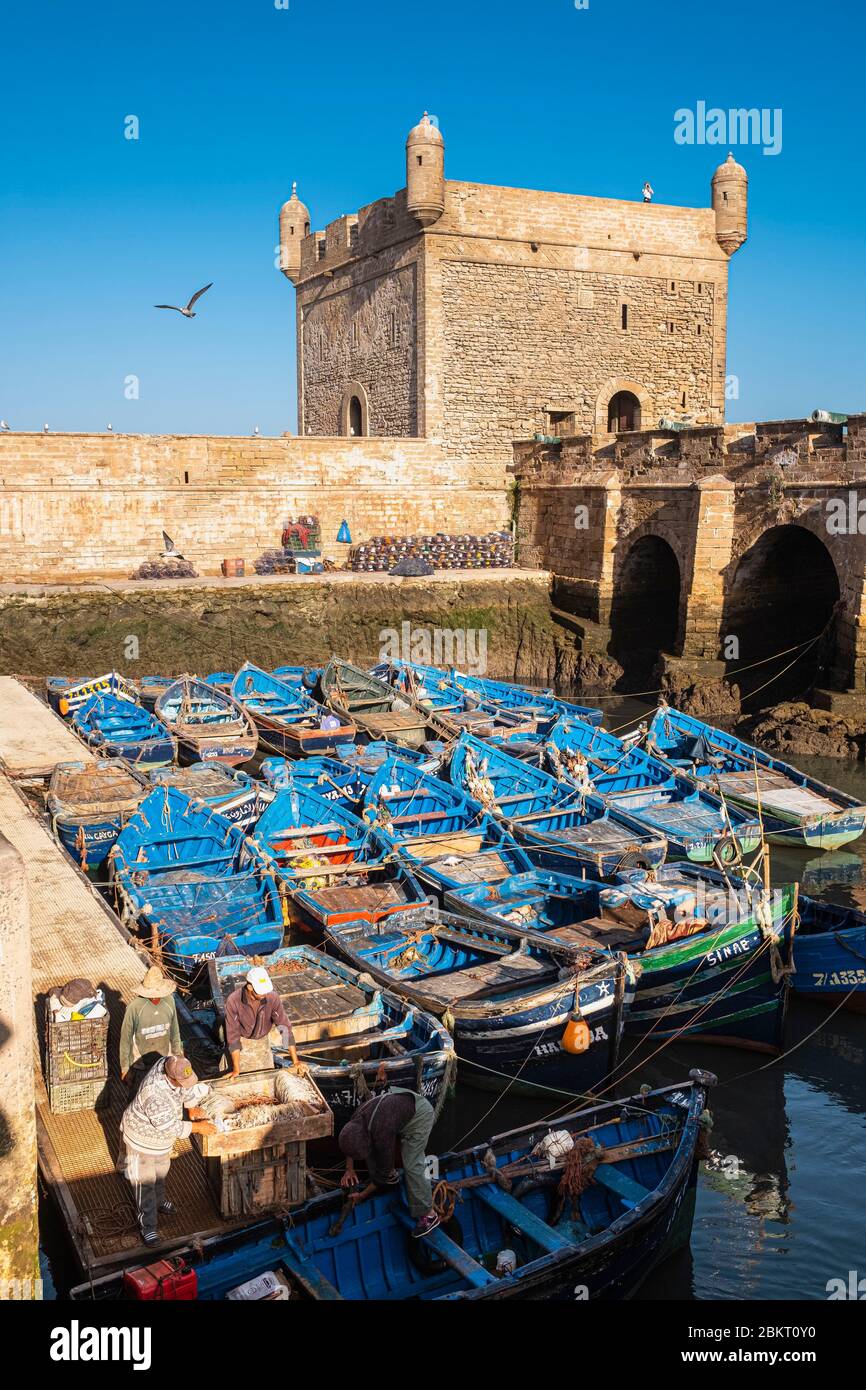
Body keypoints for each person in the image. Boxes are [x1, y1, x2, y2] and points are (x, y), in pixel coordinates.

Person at [120, 1054, 215, 1246]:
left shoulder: (171, 1062)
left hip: (162, 1142)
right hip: (142, 1141)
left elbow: (185, 1089)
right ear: (170, 1078)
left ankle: (160, 1201)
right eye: (182, 1081)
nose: (186, 1083)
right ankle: (148, 1227)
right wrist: (197, 1127)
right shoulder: (153, 1093)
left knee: (161, 1171)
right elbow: (169, 1126)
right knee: (144, 1183)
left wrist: (190, 1108)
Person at [339, 1087, 439, 1238]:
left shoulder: (382, 1133)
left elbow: (384, 1172)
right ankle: (393, 1181)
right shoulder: (356, 1119)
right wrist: (349, 1169)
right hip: (399, 1106)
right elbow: (349, 1142)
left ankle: (429, 1215)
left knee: (412, 1164)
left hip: (420, 1113)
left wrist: (363, 1195)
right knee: (375, 1156)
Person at [224, 966, 305, 1080]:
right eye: (260, 993)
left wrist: (295, 1061)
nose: (264, 995)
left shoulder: (272, 997)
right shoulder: (233, 1000)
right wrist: (236, 1069)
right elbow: (233, 1037)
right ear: (249, 986)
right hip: (243, 1039)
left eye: (265, 992)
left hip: (263, 1040)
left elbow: (284, 1027)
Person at [119, 966, 182, 1091]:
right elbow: (125, 1039)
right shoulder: (134, 1007)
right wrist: (125, 1068)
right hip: (140, 1063)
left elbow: (175, 1029)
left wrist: (178, 1053)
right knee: (138, 1093)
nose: (154, 997)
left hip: (165, 1059)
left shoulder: (169, 1001)